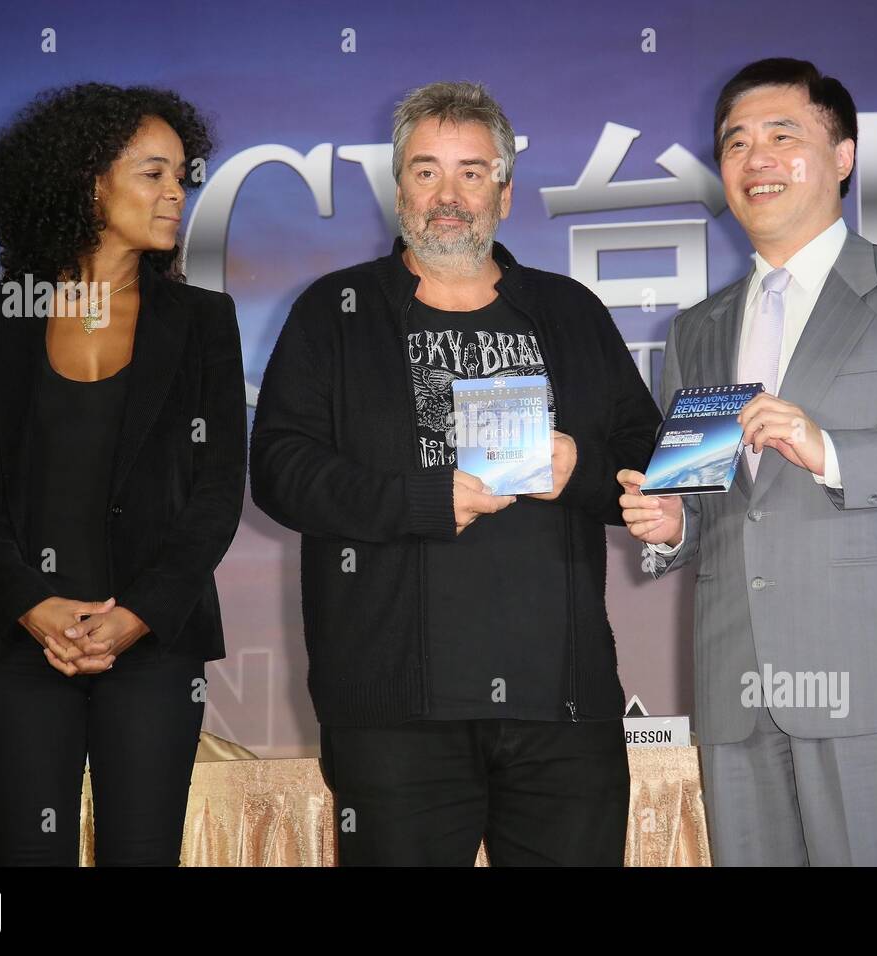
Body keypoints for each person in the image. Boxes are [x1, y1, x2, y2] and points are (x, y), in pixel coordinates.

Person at [618, 58, 877, 866]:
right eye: (735, 143)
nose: (755, 158)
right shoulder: (698, 328)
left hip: (872, 682)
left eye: (782, 135)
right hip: (737, 693)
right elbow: (711, 500)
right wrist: (671, 520)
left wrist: (828, 449)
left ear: (842, 157)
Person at [250, 81, 660, 866]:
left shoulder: (570, 310)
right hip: (393, 717)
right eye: (426, 171)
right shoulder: (333, 312)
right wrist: (417, 499)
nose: (449, 195)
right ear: (398, 187)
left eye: (472, 173)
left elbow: (647, 462)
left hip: (561, 711)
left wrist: (580, 470)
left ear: (504, 193)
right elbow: (279, 468)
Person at [0, 83, 246, 866]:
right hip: (20, 645)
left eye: (183, 175)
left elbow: (216, 493)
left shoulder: (205, 322)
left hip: (154, 647)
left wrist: (138, 614)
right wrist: (33, 608)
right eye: (153, 173)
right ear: (88, 181)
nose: (177, 191)